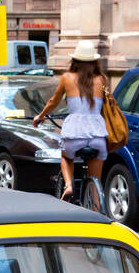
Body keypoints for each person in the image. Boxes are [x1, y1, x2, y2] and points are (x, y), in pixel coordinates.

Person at [33, 40, 108, 200]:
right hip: (98, 137)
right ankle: (95, 201)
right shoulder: (102, 80)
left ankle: (68, 185)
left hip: (75, 135)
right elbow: (108, 104)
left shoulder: (67, 78)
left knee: (66, 157)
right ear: (95, 61)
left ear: (74, 60)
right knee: (96, 179)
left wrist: (41, 116)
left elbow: (53, 101)